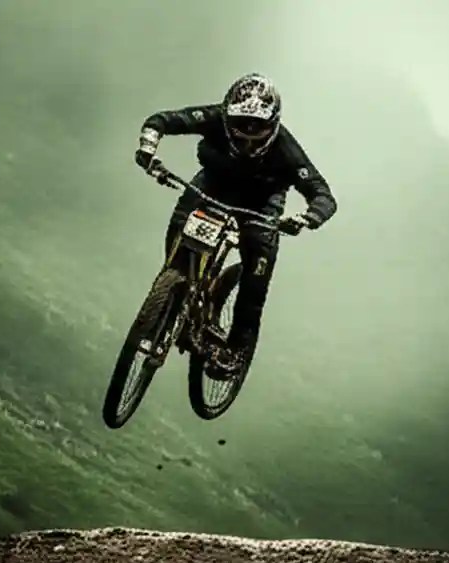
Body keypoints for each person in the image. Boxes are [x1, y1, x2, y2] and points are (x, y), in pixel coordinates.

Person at [134, 73, 338, 379]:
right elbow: (161, 120)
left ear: (274, 124)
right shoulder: (214, 116)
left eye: (259, 129)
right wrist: (148, 148)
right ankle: (172, 294)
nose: (249, 137)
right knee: (179, 231)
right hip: (214, 185)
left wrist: (307, 218)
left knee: (256, 277)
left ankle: (235, 350)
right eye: (241, 126)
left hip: (261, 204)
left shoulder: (285, 147)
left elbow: (323, 194)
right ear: (229, 113)